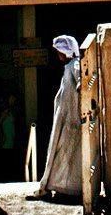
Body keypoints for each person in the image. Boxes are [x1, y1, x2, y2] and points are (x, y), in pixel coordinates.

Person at [30, 35, 82, 200]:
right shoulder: (69, 66)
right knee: (62, 154)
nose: (58, 55)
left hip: (72, 120)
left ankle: (67, 188)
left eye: (60, 51)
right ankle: (60, 187)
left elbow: (82, 82)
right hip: (66, 120)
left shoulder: (75, 65)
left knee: (66, 153)